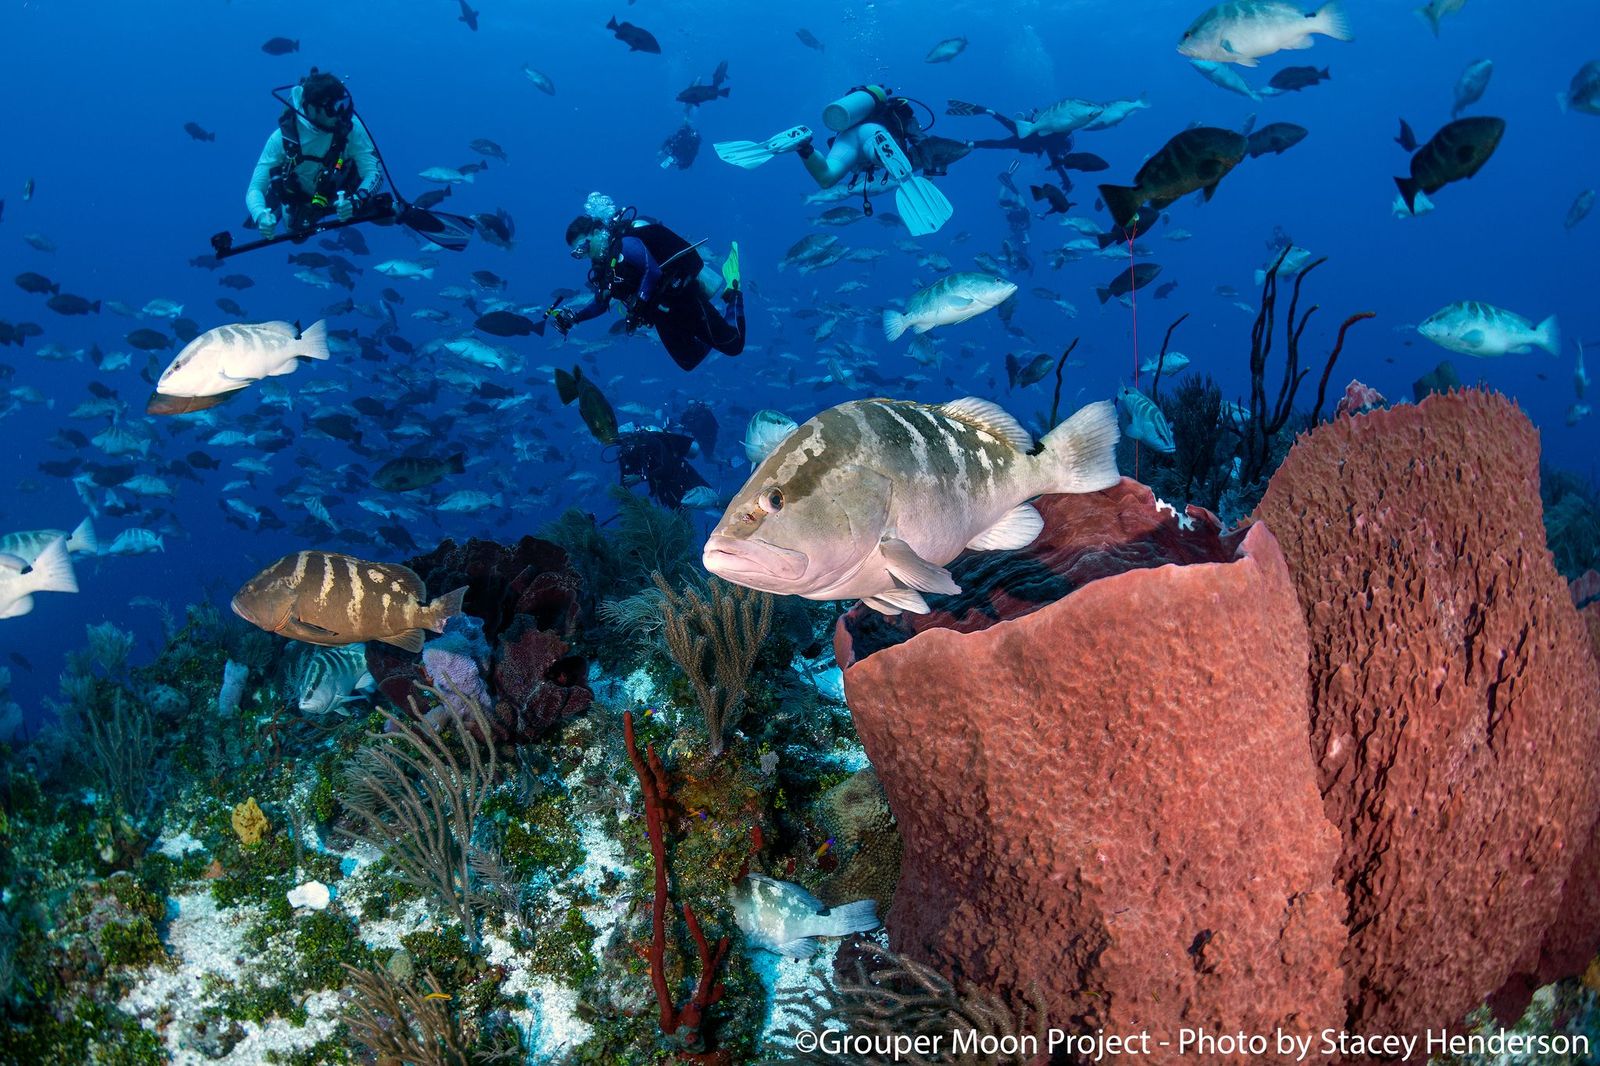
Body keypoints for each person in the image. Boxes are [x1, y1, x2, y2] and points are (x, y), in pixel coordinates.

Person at [713, 85, 953, 235]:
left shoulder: (859, 111)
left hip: (846, 138)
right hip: (872, 135)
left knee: (827, 177)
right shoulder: (902, 111)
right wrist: (930, 172)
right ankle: (882, 149)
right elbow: (920, 140)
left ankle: (804, 146)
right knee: (890, 161)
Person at [551, 197, 744, 373]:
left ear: (595, 233)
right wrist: (576, 317)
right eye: (577, 254)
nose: (583, 254)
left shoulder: (625, 244)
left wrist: (638, 304)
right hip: (660, 314)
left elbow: (652, 270)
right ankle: (712, 331)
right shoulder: (603, 269)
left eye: (583, 247)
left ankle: (733, 291)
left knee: (733, 345)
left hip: (680, 299)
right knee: (689, 360)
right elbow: (602, 302)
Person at [246, 70, 385, 239]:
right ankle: (289, 211)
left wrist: (357, 199)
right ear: (312, 108)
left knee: (389, 214)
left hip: (342, 189)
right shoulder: (280, 139)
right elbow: (255, 188)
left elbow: (373, 171)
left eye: (343, 104)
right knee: (296, 235)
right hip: (302, 198)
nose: (340, 114)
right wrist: (260, 216)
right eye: (331, 109)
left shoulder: (351, 127)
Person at [610, 426, 708, 510]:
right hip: (662, 486)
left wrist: (640, 478)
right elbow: (624, 480)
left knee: (708, 496)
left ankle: (721, 508)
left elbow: (665, 466)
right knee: (680, 510)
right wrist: (623, 499)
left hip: (680, 473)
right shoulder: (625, 456)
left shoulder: (651, 442)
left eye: (627, 439)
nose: (625, 444)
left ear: (634, 437)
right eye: (621, 442)